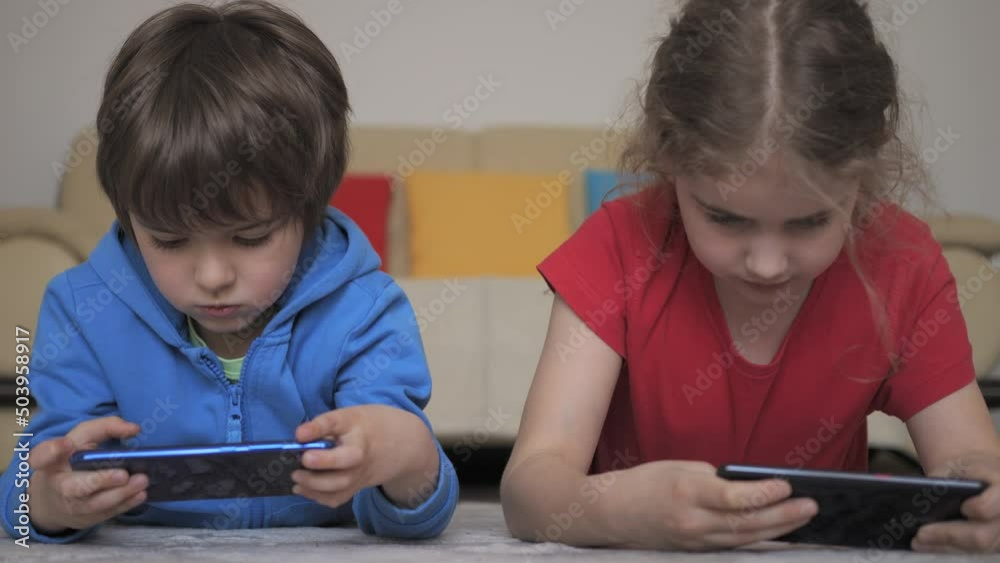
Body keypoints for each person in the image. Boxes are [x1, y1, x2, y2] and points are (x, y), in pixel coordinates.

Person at [501, 0, 1000, 553]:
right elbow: (530, 486)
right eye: (724, 217)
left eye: (811, 221)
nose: (766, 264)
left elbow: (969, 462)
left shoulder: (903, 264)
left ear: (866, 169)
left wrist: (986, 494)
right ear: (669, 155)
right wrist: (617, 510)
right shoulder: (616, 248)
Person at [1, 0, 457, 543]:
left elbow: (420, 514)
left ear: (308, 211)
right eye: (169, 240)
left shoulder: (365, 311)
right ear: (128, 218)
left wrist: (404, 456)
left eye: (251, 238)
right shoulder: (81, 309)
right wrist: (47, 500)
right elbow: (29, 481)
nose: (213, 276)